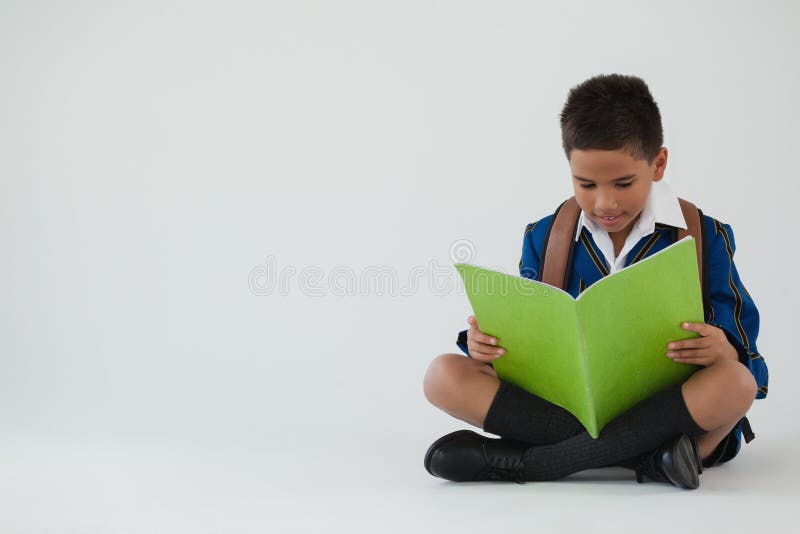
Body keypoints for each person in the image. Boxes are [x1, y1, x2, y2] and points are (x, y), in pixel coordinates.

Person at [421, 73, 768, 489]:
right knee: (442, 376)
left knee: (736, 383)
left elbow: (747, 356)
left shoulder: (704, 235)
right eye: (586, 184)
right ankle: (654, 461)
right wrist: (487, 346)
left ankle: (531, 463)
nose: (605, 202)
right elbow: (529, 338)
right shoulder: (545, 236)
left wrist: (723, 348)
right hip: (569, 409)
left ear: (658, 164)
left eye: (624, 183)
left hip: (671, 409)